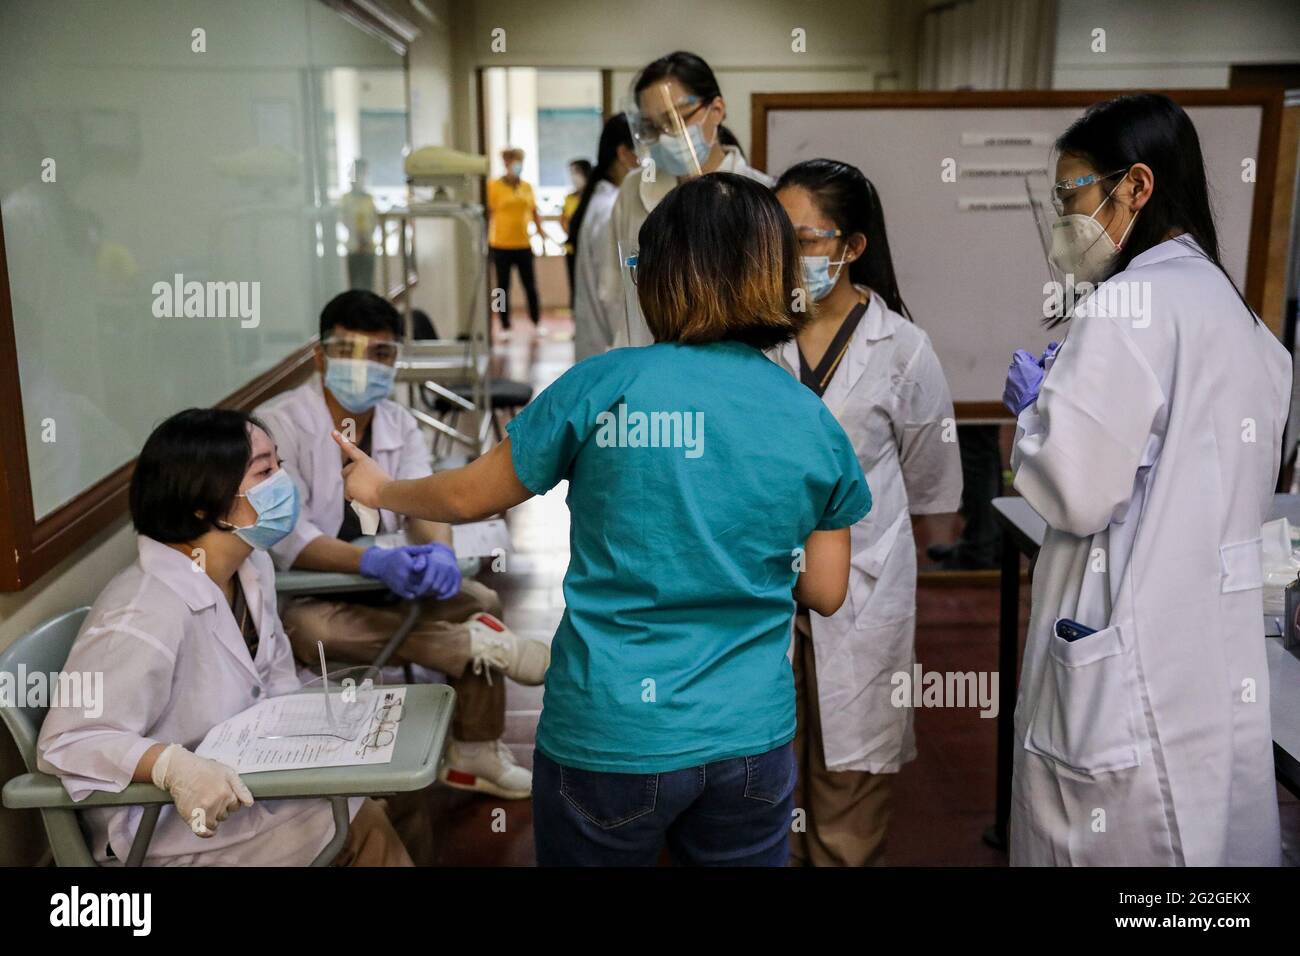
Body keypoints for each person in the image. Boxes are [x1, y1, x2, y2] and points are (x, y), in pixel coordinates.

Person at [333, 173, 871, 866]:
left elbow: (470, 498)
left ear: (663, 276)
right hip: (748, 740)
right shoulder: (808, 415)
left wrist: (381, 487)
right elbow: (825, 592)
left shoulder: (604, 384)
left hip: (612, 733)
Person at [1004, 93, 1290, 866]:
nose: (1064, 219)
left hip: (1127, 643)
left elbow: (1078, 489)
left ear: (1135, 184)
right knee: (1206, 854)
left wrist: (1036, 421)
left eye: (1072, 195)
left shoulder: (1126, 305)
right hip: (1209, 646)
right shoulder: (1239, 315)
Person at [36, 409, 412, 866]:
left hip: (253, 788)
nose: (283, 483)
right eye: (265, 471)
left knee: (390, 801)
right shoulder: (144, 610)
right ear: (203, 504)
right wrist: (172, 767)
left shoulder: (250, 569)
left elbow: (275, 685)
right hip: (168, 828)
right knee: (363, 829)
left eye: (280, 465)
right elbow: (69, 741)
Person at [256, 290, 548, 800]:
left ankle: (474, 752)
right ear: (321, 355)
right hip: (311, 593)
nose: (366, 366)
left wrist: (436, 550)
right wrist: (373, 560)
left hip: (389, 585)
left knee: (480, 600)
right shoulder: (280, 425)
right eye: (349, 351)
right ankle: (481, 647)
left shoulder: (398, 421)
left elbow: (422, 502)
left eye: (382, 354)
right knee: (312, 630)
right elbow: (290, 539)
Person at [772, 159, 962, 866]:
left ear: (853, 247)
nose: (790, 257)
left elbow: (932, 480)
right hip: (762, 581)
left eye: (807, 239)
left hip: (864, 583)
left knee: (850, 772)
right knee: (761, 766)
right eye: (777, 238)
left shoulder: (903, 350)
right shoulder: (753, 336)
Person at [604, 51, 775, 348]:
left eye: (674, 121)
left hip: (734, 373)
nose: (666, 136)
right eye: (652, 127)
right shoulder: (635, 190)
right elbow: (613, 292)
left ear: (716, 110)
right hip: (648, 365)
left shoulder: (763, 195)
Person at [570, 115, 638, 360]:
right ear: (624, 153)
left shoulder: (603, 201)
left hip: (604, 349)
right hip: (611, 348)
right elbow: (612, 293)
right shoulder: (610, 208)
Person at [487, 147, 545, 336]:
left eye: (520, 161)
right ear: (505, 163)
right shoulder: (493, 187)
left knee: (530, 285)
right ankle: (504, 324)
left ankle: (536, 322)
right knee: (502, 288)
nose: (517, 165)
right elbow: (488, 213)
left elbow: (534, 211)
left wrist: (540, 231)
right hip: (500, 244)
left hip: (523, 244)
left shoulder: (527, 187)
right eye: (513, 161)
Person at [340, 158, 378, 291]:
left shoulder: (369, 199)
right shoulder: (346, 199)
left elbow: (374, 222)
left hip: (368, 248)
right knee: (355, 286)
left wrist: (366, 238)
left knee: (368, 287)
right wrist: (358, 237)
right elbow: (345, 220)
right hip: (353, 248)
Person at [560, 158, 591, 304]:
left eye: (576, 172)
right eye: (571, 173)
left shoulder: (593, 197)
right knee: (575, 283)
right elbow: (564, 219)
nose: (573, 176)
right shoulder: (569, 198)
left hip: (589, 248)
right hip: (572, 248)